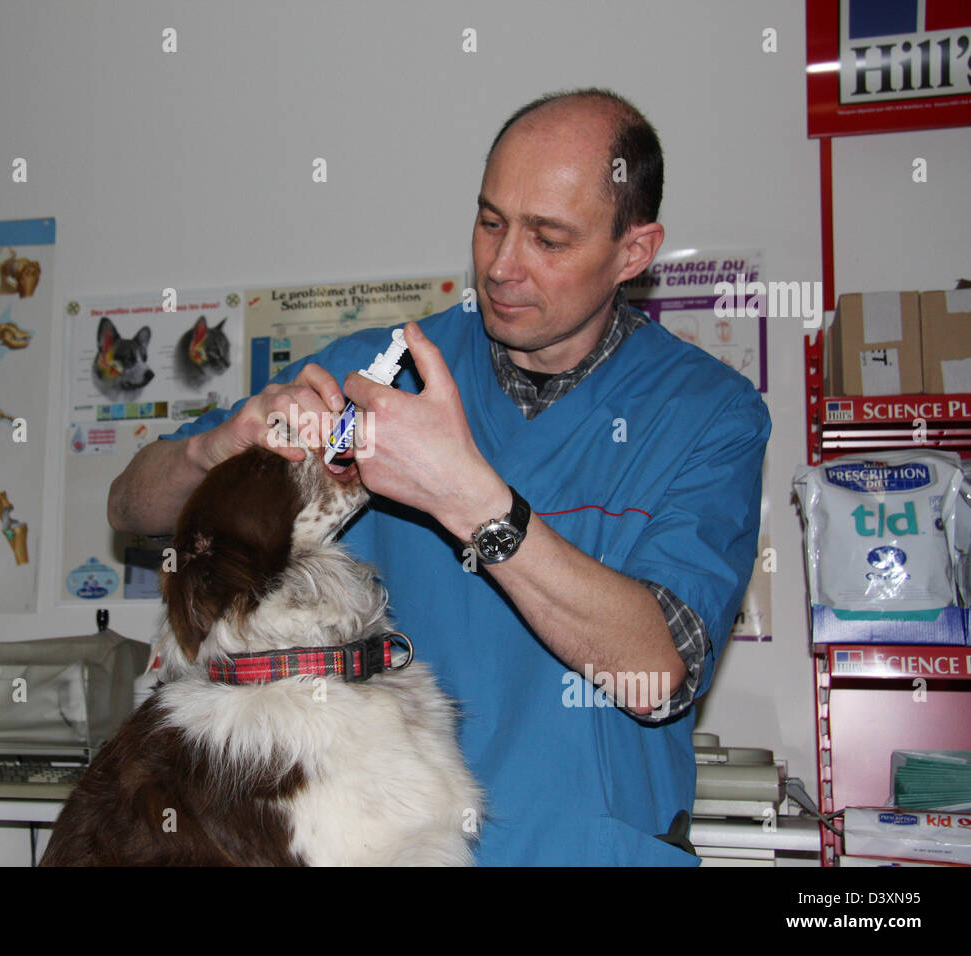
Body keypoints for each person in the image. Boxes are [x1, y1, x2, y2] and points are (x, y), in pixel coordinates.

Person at [109, 88, 771, 865]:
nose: (501, 265)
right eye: (490, 221)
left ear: (633, 251)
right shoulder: (380, 370)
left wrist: (469, 498)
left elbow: (656, 675)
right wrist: (218, 445)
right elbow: (132, 504)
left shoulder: (708, 413)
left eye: (548, 240)